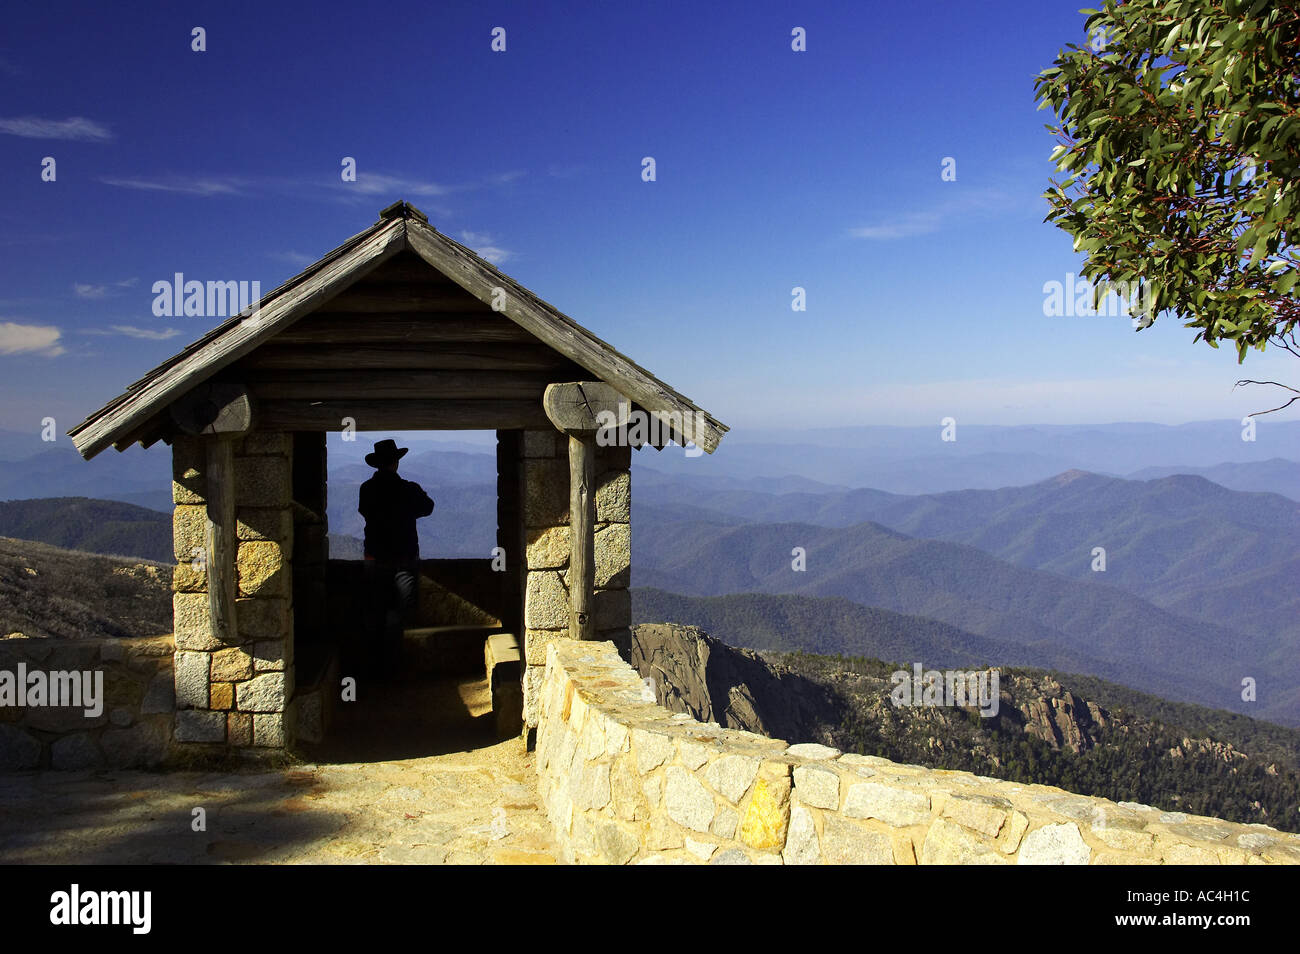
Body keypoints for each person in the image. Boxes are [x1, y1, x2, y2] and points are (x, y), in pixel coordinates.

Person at [358, 439, 435, 676]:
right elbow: (428, 507)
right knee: (399, 610)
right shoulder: (408, 489)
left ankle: (373, 665)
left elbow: (364, 511)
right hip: (404, 557)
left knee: (375, 608)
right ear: (396, 462)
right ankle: (392, 664)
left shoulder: (366, 489)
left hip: (375, 557)